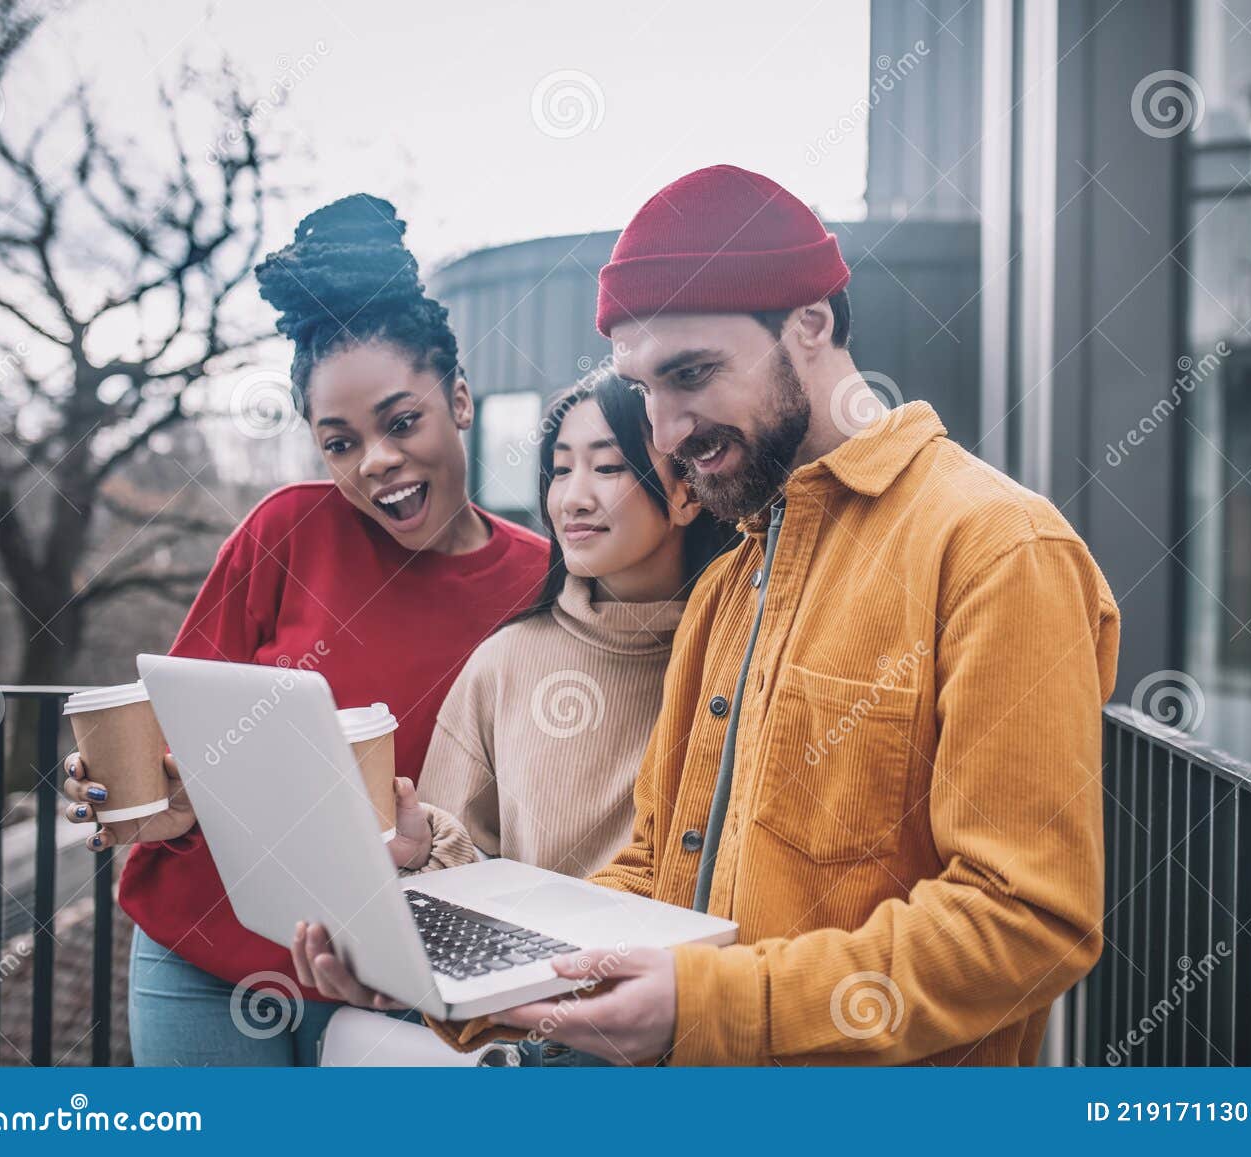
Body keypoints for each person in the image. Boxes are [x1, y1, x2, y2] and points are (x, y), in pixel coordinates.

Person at [297, 164, 1120, 1066]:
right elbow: (656, 873)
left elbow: (1025, 919)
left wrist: (712, 1003)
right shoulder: (732, 584)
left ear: (811, 322)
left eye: (692, 373)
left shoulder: (997, 549)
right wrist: (444, 971)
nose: (667, 428)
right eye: (645, 386)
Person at [60, 193, 550, 1066]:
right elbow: (173, 719)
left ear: (462, 400)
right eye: (341, 442)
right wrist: (137, 794)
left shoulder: (544, 581)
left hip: (391, 975)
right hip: (200, 946)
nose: (378, 463)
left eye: (402, 422)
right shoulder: (287, 531)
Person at [314, 370, 737, 1066]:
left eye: (606, 466)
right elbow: (443, 878)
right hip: (539, 1047)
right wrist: (394, 918)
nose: (573, 496)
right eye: (559, 469)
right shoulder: (506, 662)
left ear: (688, 491)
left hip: (704, 1041)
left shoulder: (744, 656)